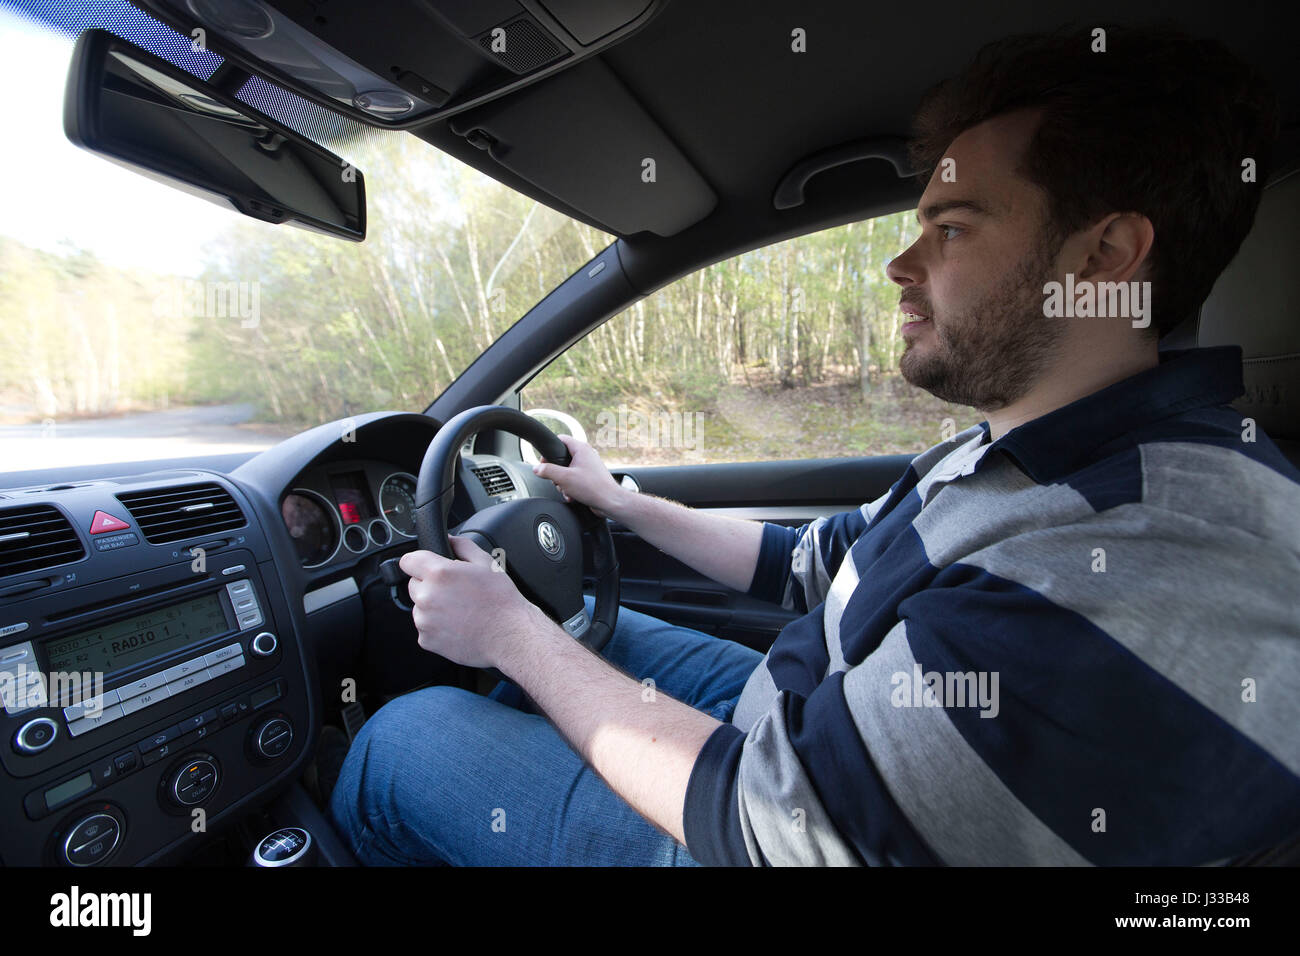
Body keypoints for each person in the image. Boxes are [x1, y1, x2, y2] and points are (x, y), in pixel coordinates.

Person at [327, 23, 1300, 865]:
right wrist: (619, 502)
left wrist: (508, 631)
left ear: (1104, 255)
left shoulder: (1150, 559)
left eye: (951, 230)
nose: (898, 264)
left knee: (404, 738)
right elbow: (813, 565)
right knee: (579, 618)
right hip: (819, 725)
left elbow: (769, 827)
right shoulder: (1020, 448)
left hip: (774, 820)